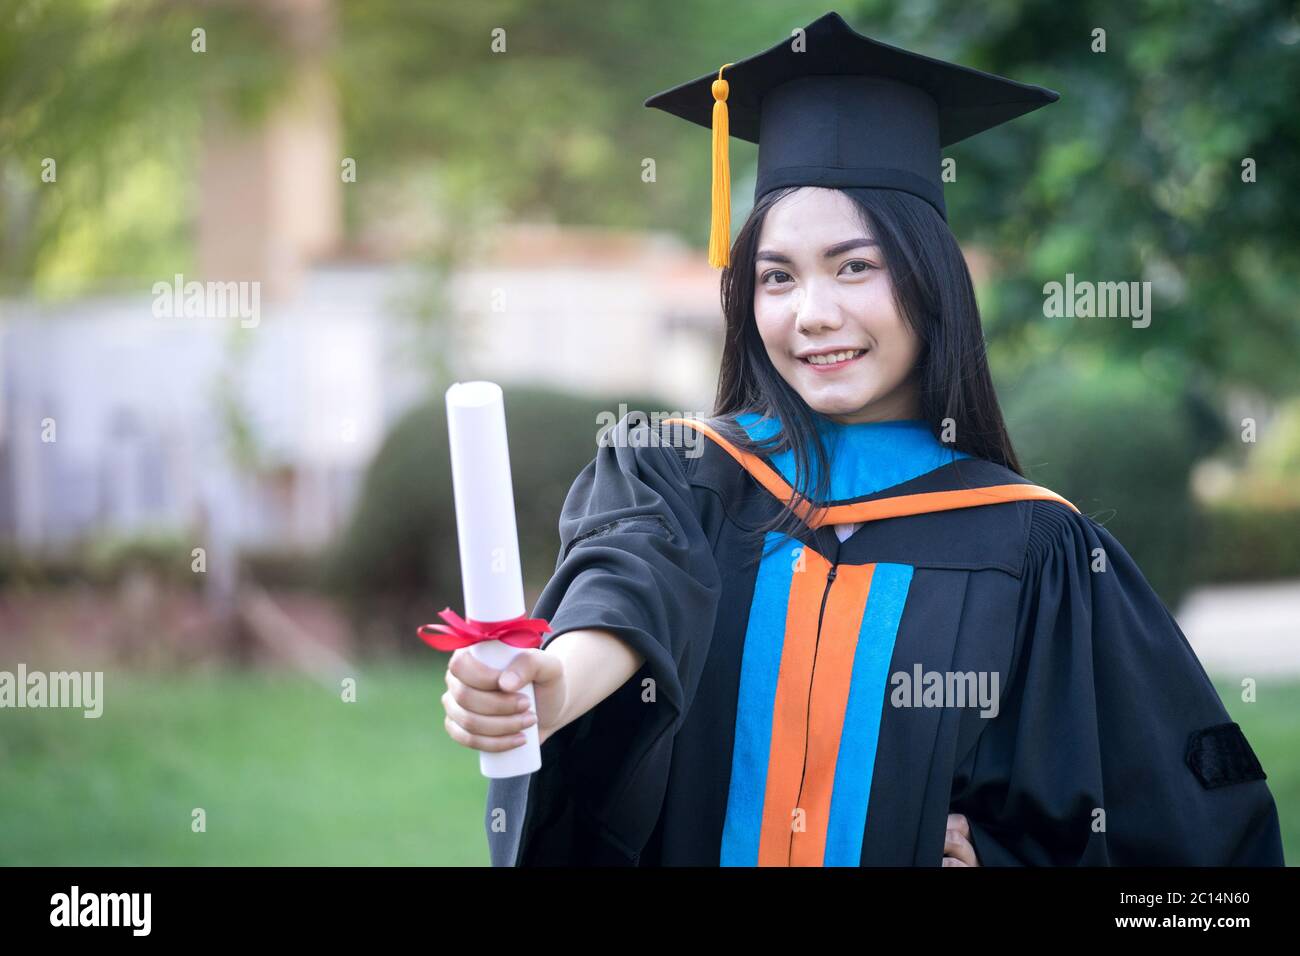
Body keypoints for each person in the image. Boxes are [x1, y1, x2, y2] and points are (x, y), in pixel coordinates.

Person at [442, 11, 1285, 867]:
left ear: (930, 280)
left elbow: (1187, 834)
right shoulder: (678, 477)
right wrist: (552, 687)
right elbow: (623, 596)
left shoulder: (1032, 546)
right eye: (777, 276)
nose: (812, 314)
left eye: (856, 266)